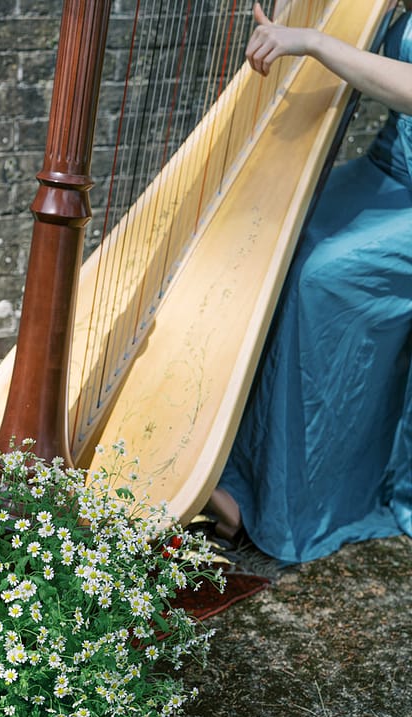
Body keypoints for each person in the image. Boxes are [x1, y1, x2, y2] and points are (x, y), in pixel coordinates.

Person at [210, 1, 412, 563]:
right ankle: (225, 458)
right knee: (273, 236)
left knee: (321, 274)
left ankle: (293, 499)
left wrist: (317, 43)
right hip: (386, 170)